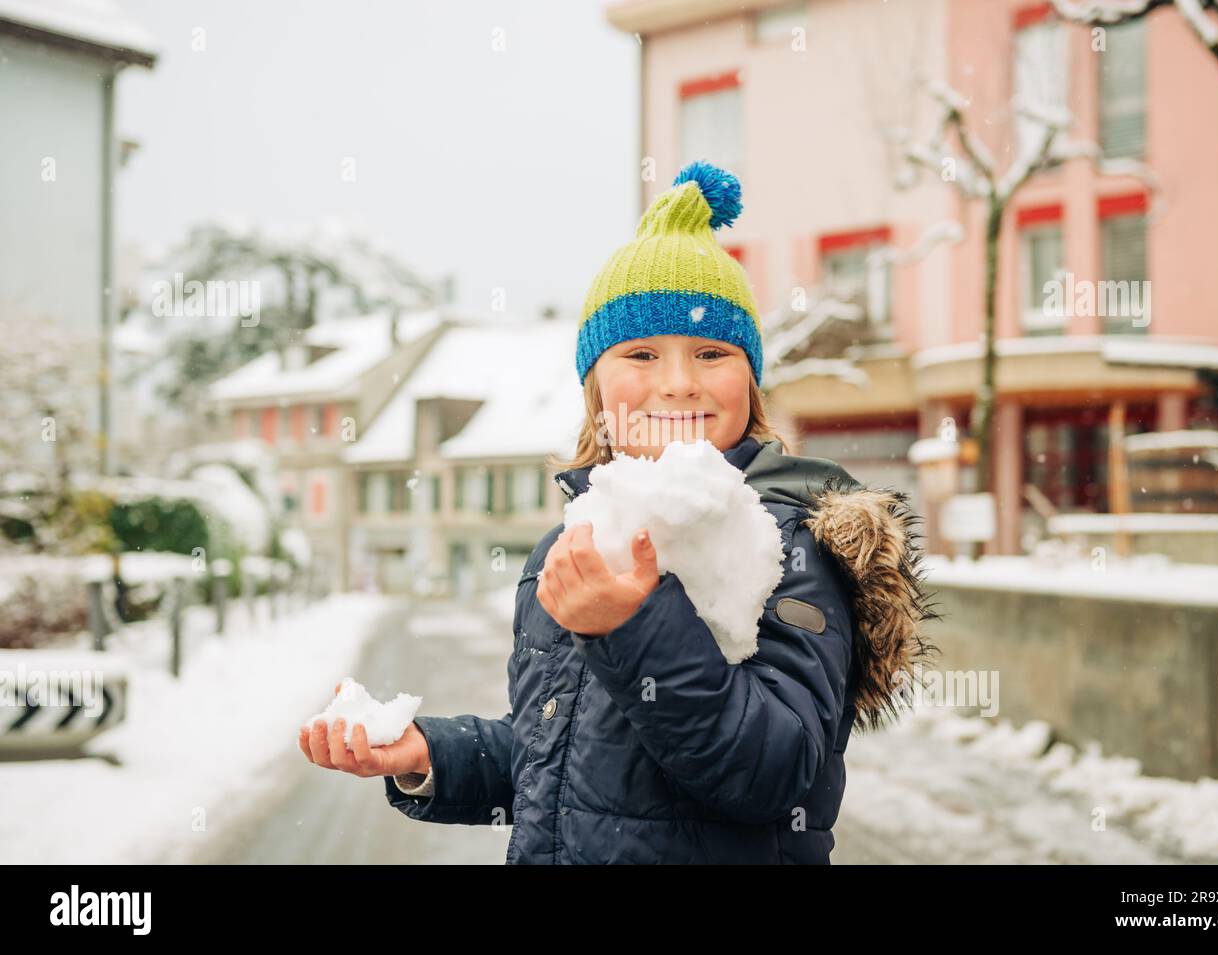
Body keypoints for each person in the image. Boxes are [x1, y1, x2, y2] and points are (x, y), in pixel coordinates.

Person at [300, 160, 938, 863]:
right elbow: (562, 758)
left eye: (711, 352)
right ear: (596, 388)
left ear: (750, 380)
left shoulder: (794, 539)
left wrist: (633, 625)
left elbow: (775, 770)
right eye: (640, 352)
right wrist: (430, 755)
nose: (678, 382)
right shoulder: (568, 545)